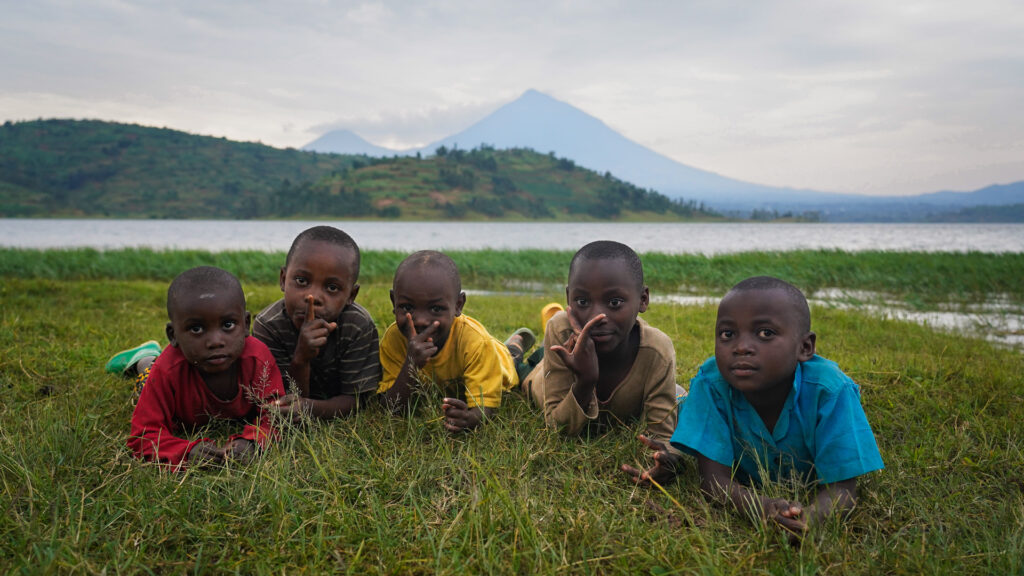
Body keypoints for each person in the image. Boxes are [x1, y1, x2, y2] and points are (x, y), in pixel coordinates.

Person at [662, 276, 884, 537]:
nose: (742, 347)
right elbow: (712, 480)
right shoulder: (711, 384)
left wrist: (808, 520)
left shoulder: (831, 391)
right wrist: (762, 508)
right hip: (693, 403)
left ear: (804, 347)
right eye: (728, 334)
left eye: (765, 333)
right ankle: (679, 400)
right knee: (679, 408)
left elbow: (843, 489)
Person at [518, 240, 682, 485]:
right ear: (569, 298)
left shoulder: (657, 351)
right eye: (583, 302)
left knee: (679, 393)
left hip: (565, 347)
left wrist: (668, 461)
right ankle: (516, 342)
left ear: (643, 299)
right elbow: (558, 428)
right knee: (514, 370)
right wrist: (585, 381)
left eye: (614, 303)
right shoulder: (561, 332)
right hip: (542, 373)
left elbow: (663, 437)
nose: (596, 317)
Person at [127, 266, 286, 468]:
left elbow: (277, 416)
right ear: (173, 335)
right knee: (148, 373)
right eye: (197, 329)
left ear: (246, 324)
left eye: (228, 325)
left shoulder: (257, 359)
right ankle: (144, 357)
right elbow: (142, 436)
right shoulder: (167, 371)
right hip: (157, 371)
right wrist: (187, 452)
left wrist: (253, 442)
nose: (215, 341)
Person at [377, 250, 517, 432]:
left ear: (458, 305)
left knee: (512, 357)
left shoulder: (475, 342)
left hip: (500, 361)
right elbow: (391, 408)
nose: (420, 320)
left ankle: (516, 344)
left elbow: (485, 409)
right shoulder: (394, 339)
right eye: (407, 307)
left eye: (436, 308)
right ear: (393, 302)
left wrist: (470, 419)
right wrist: (411, 364)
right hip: (483, 353)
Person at [253, 225, 382, 421]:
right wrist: (301, 358)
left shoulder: (357, 326)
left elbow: (356, 401)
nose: (312, 297)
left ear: (351, 295)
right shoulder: (268, 326)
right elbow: (282, 399)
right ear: (283, 279)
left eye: (332, 287)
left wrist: (310, 408)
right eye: (302, 281)